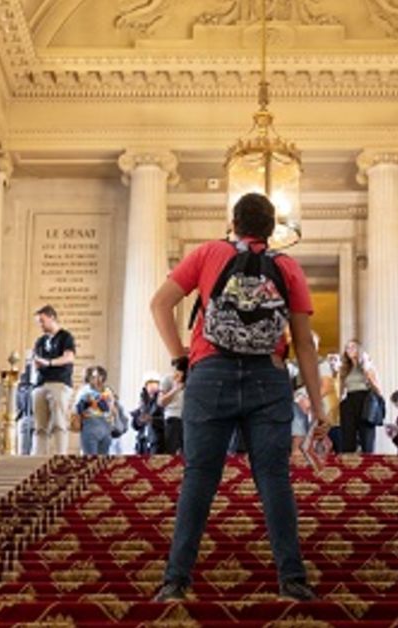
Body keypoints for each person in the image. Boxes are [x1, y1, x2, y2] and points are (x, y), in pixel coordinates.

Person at [149, 192, 322, 602]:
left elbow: (159, 304)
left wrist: (181, 357)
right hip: (269, 377)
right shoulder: (288, 266)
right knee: (274, 480)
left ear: (233, 223)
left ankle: (176, 581)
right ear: (271, 228)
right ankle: (292, 580)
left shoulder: (208, 253)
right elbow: (304, 344)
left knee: (200, 479)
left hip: (210, 374)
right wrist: (318, 407)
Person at [31, 305, 76, 456]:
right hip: (40, 384)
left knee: (59, 422)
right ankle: (38, 458)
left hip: (59, 383)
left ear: (52, 317)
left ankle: (60, 456)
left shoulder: (65, 337)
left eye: (42, 321)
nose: (40, 325)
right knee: (39, 426)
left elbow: (69, 357)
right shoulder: (40, 341)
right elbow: (36, 359)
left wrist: (49, 363)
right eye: (38, 322)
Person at [338, 340, 383, 454]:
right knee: (348, 438)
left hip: (365, 400)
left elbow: (379, 389)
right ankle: (348, 467)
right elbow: (342, 389)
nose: (349, 350)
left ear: (359, 349)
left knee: (366, 438)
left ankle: (369, 466)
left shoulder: (368, 367)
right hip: (349, 401)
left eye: (353, 347)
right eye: (347, 347)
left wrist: (367, 372)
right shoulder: (345, 369)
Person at [74, 366, 122, 456]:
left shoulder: (86, 391)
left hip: (98, 425)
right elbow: (108, 407)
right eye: (95, 376)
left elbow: (108, 407)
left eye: (98, 376)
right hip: (98, 424)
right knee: (98, 460)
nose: (98, 379)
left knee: (94, 460)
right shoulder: (88, 391)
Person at [133, 375, 165, 455]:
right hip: (142, 442)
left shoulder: (162, 401)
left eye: (154, 383)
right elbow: (135, 426)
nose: (151, 386)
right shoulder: (143, 402)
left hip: (156, 442)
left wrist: (152, 419)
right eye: (149, 383)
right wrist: (138, 420)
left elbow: (166, 422)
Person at [158, 372, 185, 455]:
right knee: (170, 454)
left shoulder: (194, 377)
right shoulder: (168, 378)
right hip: (174, 418)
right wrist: (175, 389)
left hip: (191, 420)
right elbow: (160, 402)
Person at [14, 359, 35, 456]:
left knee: (23, 450)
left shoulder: (20, 390)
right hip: (35, 419)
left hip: (25, 419)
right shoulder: (34, 389)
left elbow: (19, 407)